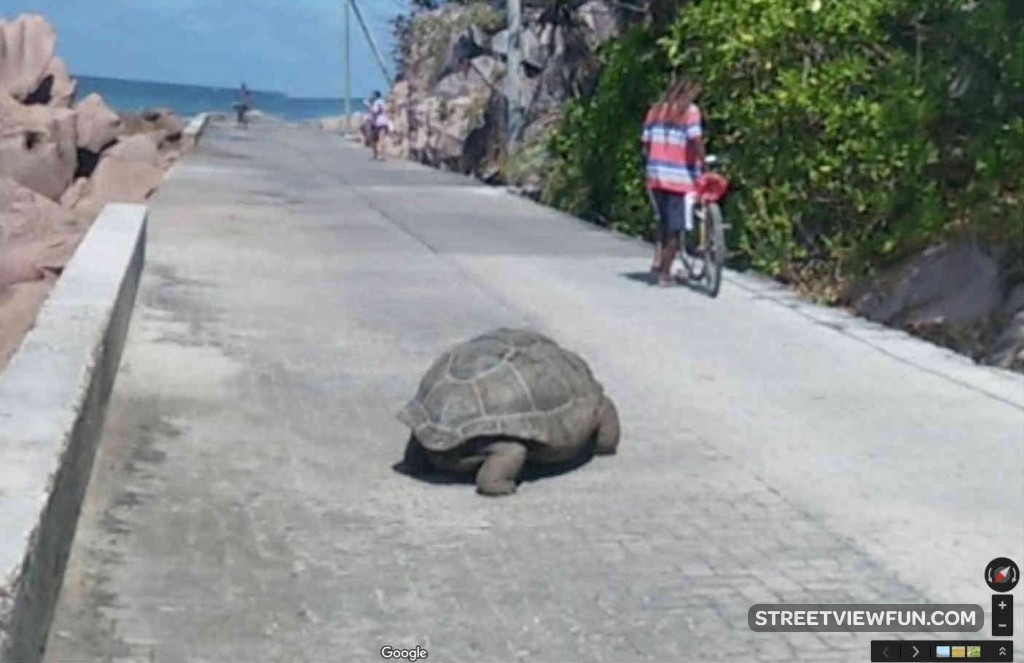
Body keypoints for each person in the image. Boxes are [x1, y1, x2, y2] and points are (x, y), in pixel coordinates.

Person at [640, 76, 706, 287]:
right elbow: (695, 139)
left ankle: (658, 262)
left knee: (663, 220)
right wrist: (703, 163)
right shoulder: (690, 111)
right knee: (675, 228)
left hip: (656, 174)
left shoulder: (655, 110)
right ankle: (665, 275)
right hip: (679, 177)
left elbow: (646, 143)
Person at [365, 91, 391, 161]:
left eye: (373, 95)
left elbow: (375, 111)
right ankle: (378, 155)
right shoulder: (382, 102)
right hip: (381, 122)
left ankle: (378, 155)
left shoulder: (378, 102)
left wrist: (368, 106)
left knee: (377, 139)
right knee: (378, 139)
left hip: (378, 123)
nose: (371, 97)